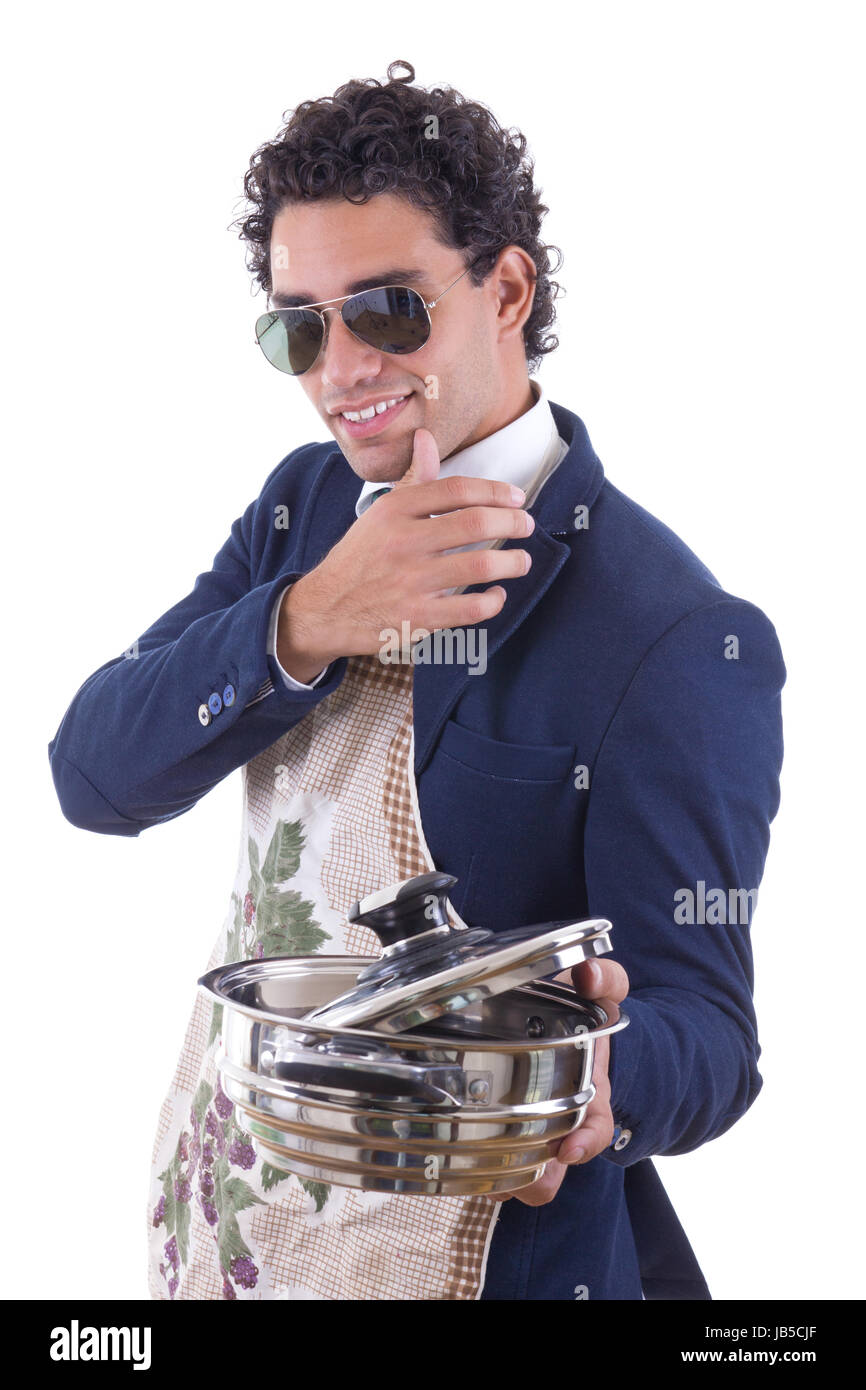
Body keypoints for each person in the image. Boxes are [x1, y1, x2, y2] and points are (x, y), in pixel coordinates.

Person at [47, 59, 786, 1301]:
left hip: (485, 1262)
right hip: (242, 1234)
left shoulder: (673, 632)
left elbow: (708, 1034)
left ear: (504, 287)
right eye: (298, 324)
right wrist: (310, 615)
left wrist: (602, 1077)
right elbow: (95, 774)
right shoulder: (303, 507)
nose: (338, 369)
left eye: (387, 308)